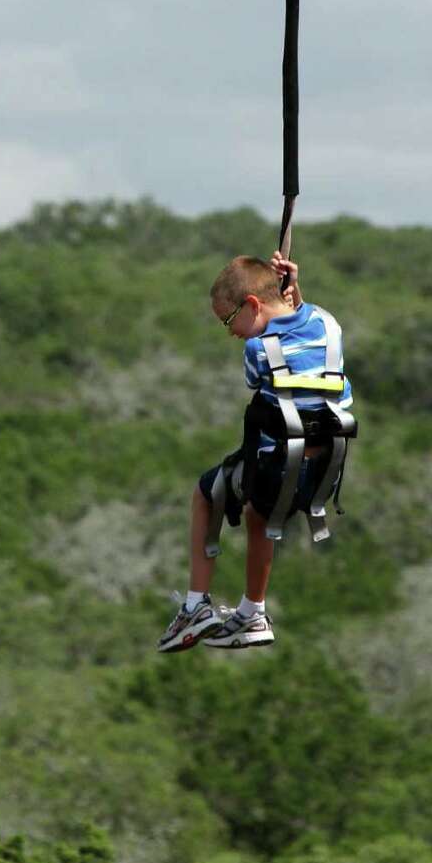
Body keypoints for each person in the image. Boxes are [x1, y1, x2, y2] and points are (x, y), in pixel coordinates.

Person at [157, 251, 355, 654]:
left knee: (204, 495)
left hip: (277, 468)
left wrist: (277, 310)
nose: (232, 334)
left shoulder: (259, 351)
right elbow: (302, 320)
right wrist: (293, 296)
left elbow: (257, 377)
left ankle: (196, 605)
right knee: (257, 515)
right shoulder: (328, 325)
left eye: (230, 322)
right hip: (323, 469)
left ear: (251, 304)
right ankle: (252, 612)